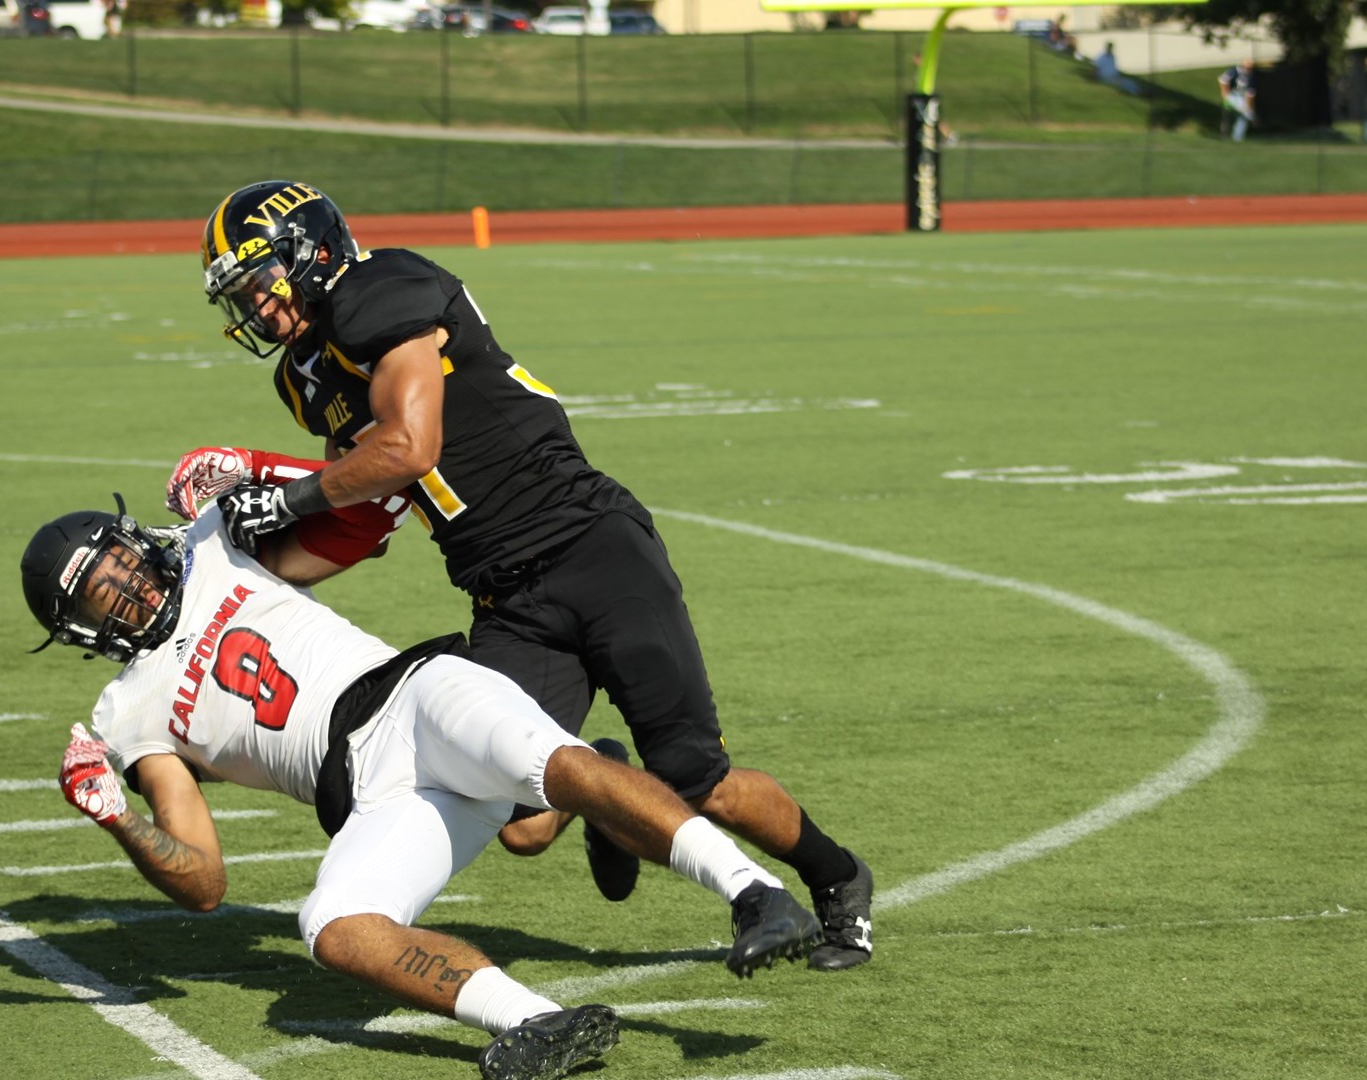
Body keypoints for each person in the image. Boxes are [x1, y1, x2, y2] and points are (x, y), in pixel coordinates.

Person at [169, 180, 875, 972]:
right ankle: (605, 786)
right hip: (505, 596)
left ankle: (837, 878)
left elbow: (409, 449)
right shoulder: (303, 380)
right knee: (520, 820)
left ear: (310, 251)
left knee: (696, 780)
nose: (258, 309)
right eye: (242, 297)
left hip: (591, 549)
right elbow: (368, 517)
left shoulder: (380, 289)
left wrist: (285, 496)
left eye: (261, 284)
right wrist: (247, 570)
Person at [22, 496, 824, 1080]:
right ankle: (538, 1022)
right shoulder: (127, 714)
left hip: (414, 695)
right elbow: (203, 880)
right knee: (331, 925)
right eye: (101, 587)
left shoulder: (212, 543)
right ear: (82, 627)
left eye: (121, 558)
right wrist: (120, 820)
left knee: (558, 772)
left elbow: (367, 511)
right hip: (368, 793)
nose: (129, 581)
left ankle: (755, 892)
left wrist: (260, 478)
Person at [1219, 58, 1257, 142]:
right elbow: (1223, 80)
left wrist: (1249, 107)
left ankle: (1237, 138)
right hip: (1232, 95)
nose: (1248, 69)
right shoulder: (1234, 71)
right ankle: (1225, 135)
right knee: (1228, 114)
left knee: (1245, 115)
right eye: (1247, 67)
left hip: (1241, 97)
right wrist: (1225, 94)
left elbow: (1250, 94)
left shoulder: (1251, 77)